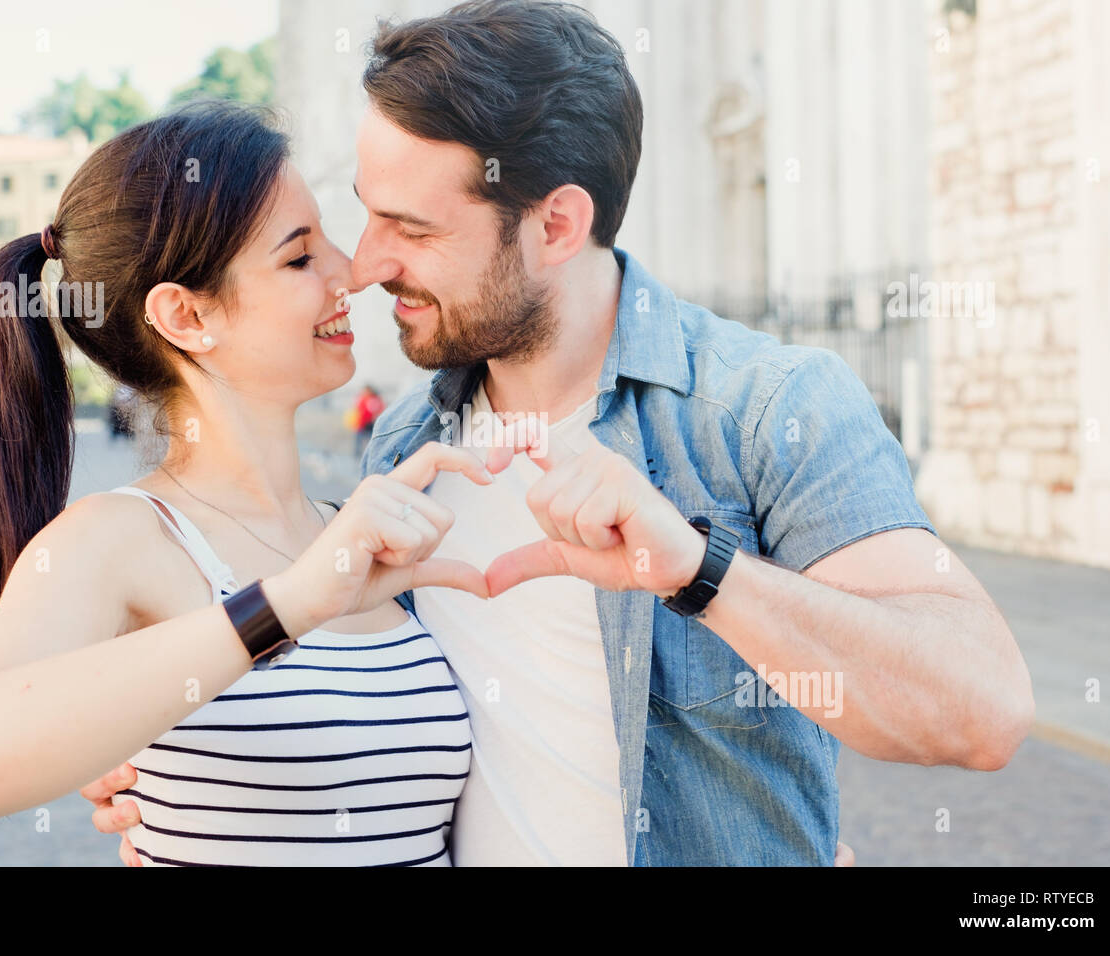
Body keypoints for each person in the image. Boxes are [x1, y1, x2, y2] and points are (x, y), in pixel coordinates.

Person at [86, 0, 1034, 866]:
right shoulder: (406, 450)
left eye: (411, 228)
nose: (367, 265)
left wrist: (699, 574)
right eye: (365, 216)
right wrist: (188, 768)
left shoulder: (768, 409)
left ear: (556, 226)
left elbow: (980, 712)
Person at [0, 102, 498, 867]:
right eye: (298, 258)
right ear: (185, 315)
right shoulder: (122, 537)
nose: (351, 270)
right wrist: (287, 605)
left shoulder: (351, 525)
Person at [351, 384, 385, 457]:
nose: (364, 392)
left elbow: (377, 411)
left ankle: (370, 454)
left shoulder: (374, 399)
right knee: (359, 440)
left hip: (370, 424)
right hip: (361, 423)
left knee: (370, 440)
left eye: (366, 391)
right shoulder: (362, 399)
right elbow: (357, 410)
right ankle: (358, 454)